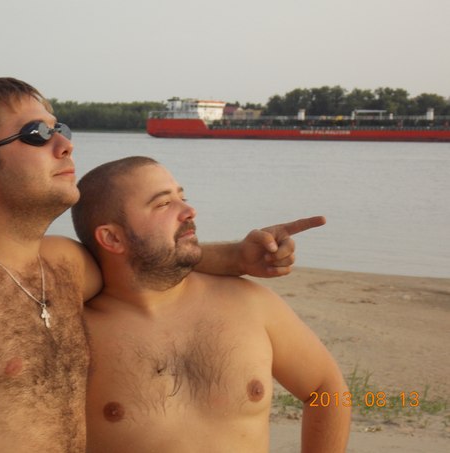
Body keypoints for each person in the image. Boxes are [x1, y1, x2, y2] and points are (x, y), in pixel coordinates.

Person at [0, 77, 324, 452]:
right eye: (36, 134)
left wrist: (238, 255)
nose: (64, 144)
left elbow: (142, 256)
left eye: (62, 129)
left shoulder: (66, 267)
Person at [71, 157, 351, 452]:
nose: (189, 211)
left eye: (182, 198)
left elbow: (328, 389)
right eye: (163, 204)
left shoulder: (250, 304)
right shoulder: (75, 334)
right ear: (112, 237)